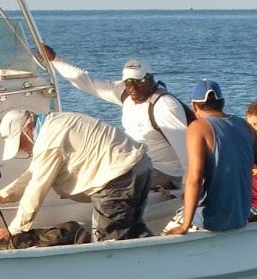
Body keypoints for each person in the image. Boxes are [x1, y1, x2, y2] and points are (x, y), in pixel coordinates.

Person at [0, 107, 153, 245]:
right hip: (139, 165)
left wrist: (14, 229)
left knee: (108, 243)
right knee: (134, 230)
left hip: (117, 178)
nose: (22, 150)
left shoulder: (49, 141)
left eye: (20, 143)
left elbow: (36, 189)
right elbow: (33, 174)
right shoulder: (54, 123)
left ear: (28, 128)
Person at [40, 48, 191, 190]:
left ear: (150, 78)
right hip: (137, 162)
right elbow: (88, 82)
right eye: (128, 82)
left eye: (138, 81)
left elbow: (187, 153)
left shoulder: (164, 106)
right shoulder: (124, 93)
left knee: (110, 177)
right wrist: (55, 60)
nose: (133, 87)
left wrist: (191, 189)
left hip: (165, 172)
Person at [163, 81, 257, 235]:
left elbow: (194, 179)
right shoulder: (245, 125)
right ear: (222, 103)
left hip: (211, 220)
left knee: (165, 234)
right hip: (239, 218)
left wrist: (185, 226)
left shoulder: (198, 128)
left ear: (194, 106)